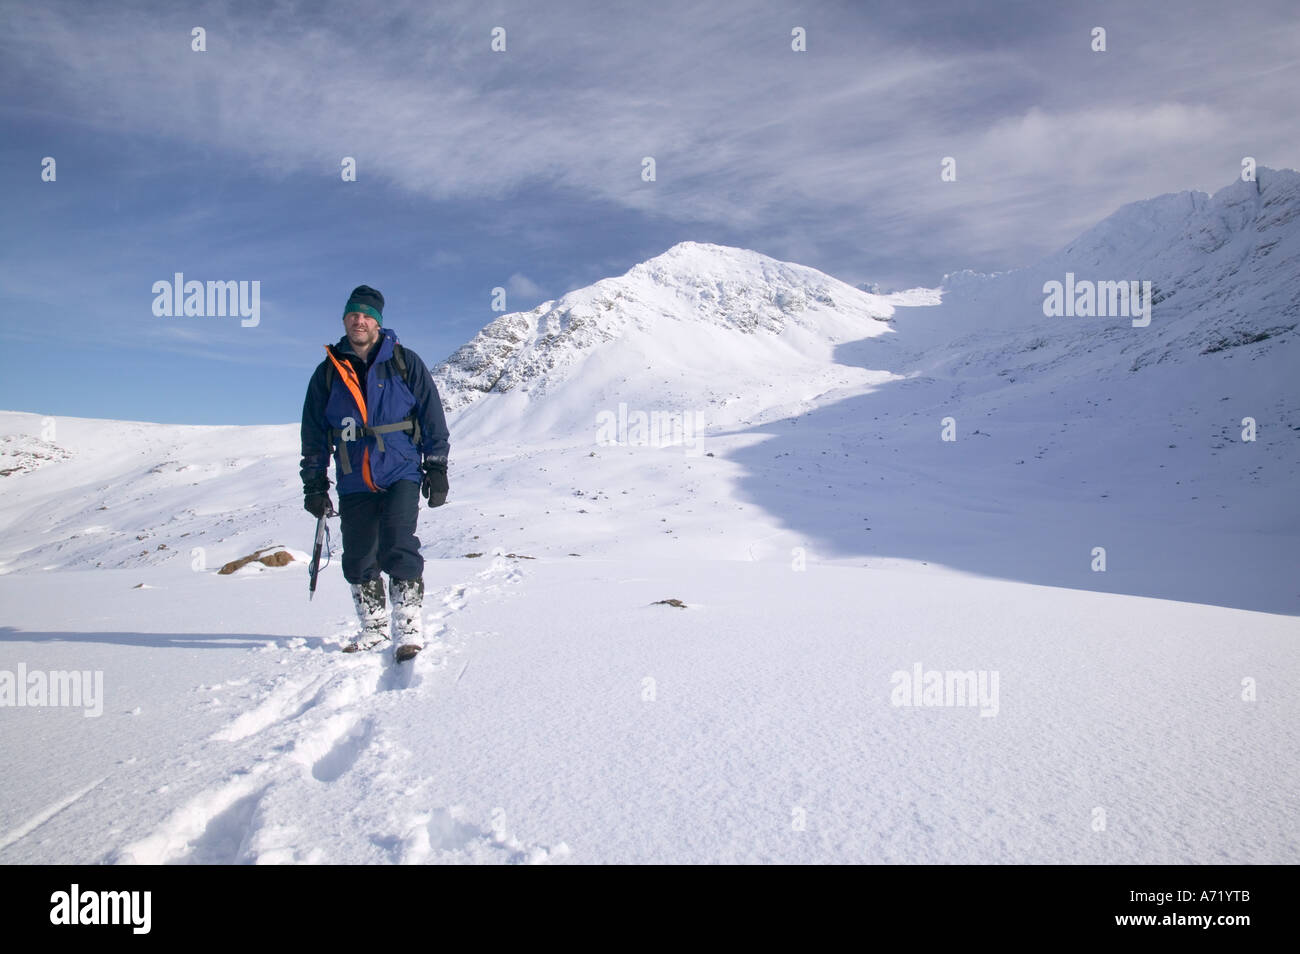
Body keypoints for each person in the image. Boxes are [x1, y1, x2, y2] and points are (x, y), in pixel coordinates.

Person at [299, 285, 450, 660]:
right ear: (345, 320)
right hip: (354, 476)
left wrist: (437, 466)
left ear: (378, 322)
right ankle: (374, 628)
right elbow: (314, 433)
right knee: (359, 553)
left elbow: (432, 416)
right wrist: (314, 483)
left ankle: (409, 627)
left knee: (398, 543)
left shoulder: (404, 362)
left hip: (400, 470)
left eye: (366, 315)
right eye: (353, 314)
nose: (359, 321)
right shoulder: (328, 373)